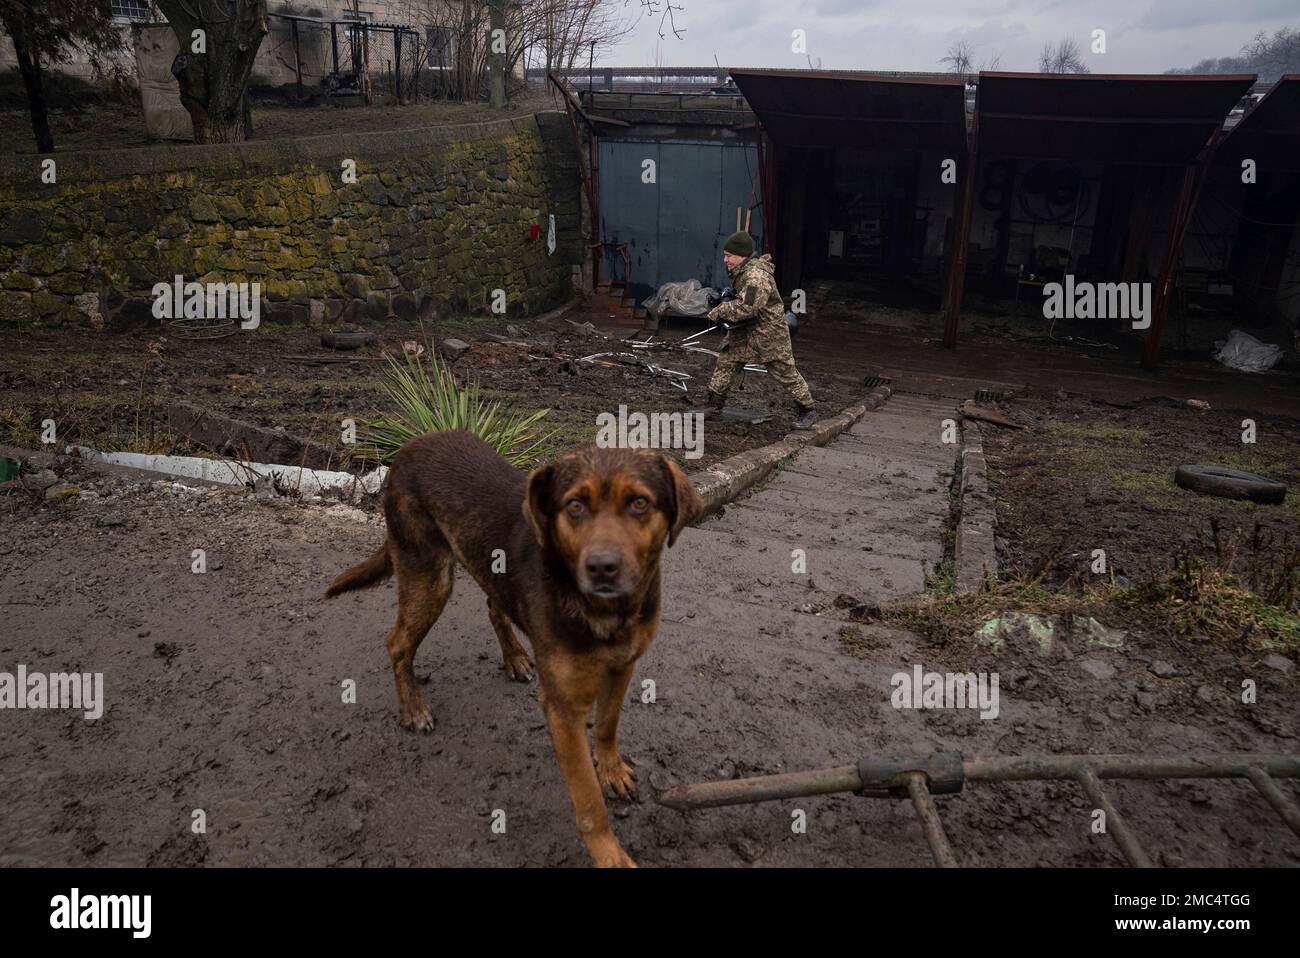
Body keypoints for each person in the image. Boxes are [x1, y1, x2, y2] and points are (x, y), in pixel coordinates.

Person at [701, 231, 816, 429]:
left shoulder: (756, 277)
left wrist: (720, 310)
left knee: (785, 372)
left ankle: (808, 410)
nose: (725, 259)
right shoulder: (744, 272)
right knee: (727, 362)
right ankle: (713, 406)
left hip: (768, 336)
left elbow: (748, 307)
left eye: (729, 255)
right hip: (746, 333)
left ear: (742, 255)